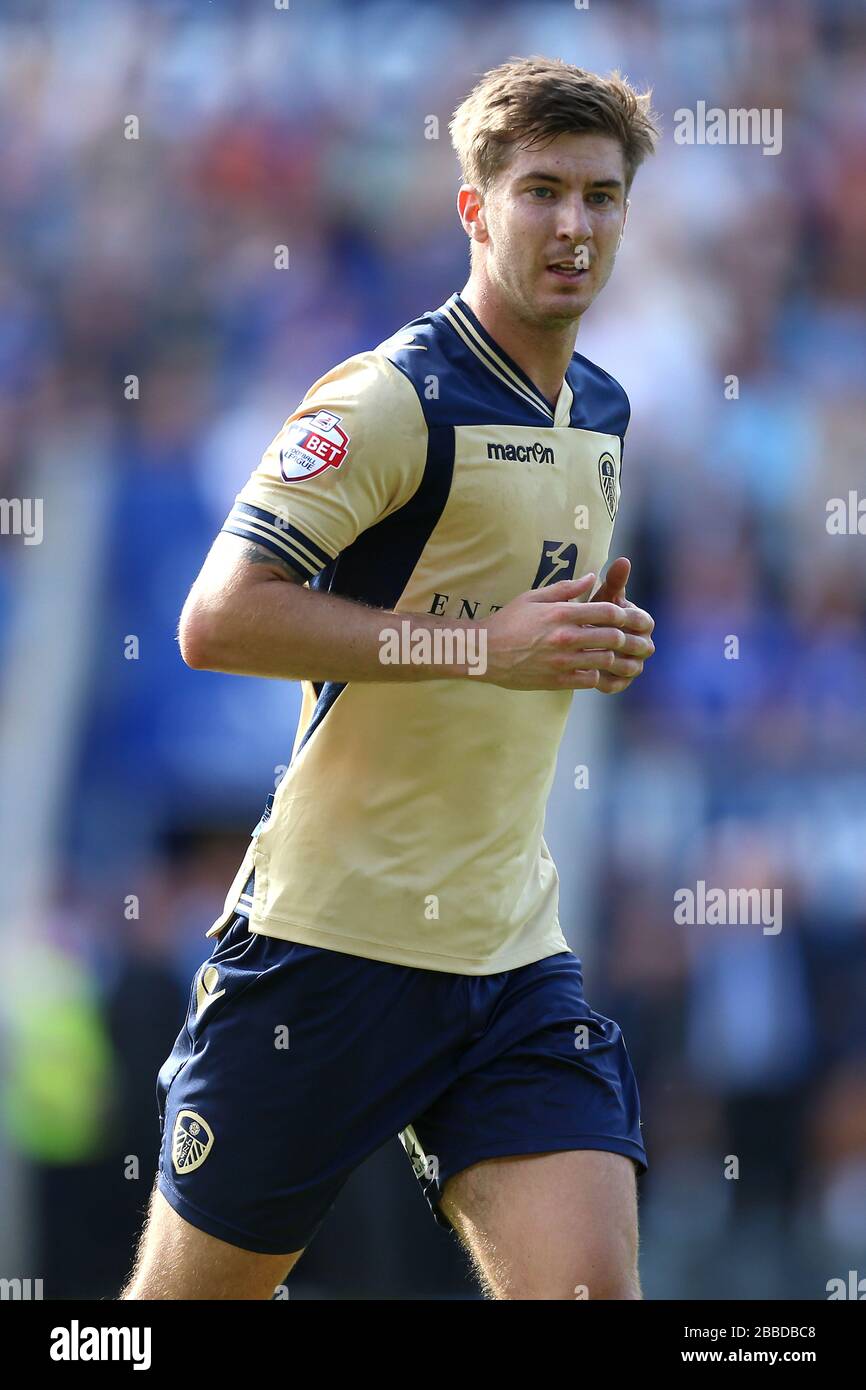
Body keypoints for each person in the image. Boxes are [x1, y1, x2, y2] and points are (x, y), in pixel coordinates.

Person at [122, 55, 660, 1301]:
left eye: (598, 196)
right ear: (474, 208)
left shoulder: (602, 411)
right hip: (326, 952)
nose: (571, 226)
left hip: (511, 950)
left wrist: (585, 647)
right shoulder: (388, 397)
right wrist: (486, 647)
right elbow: (217, 620)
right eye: (539, 192)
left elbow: (511, 625)